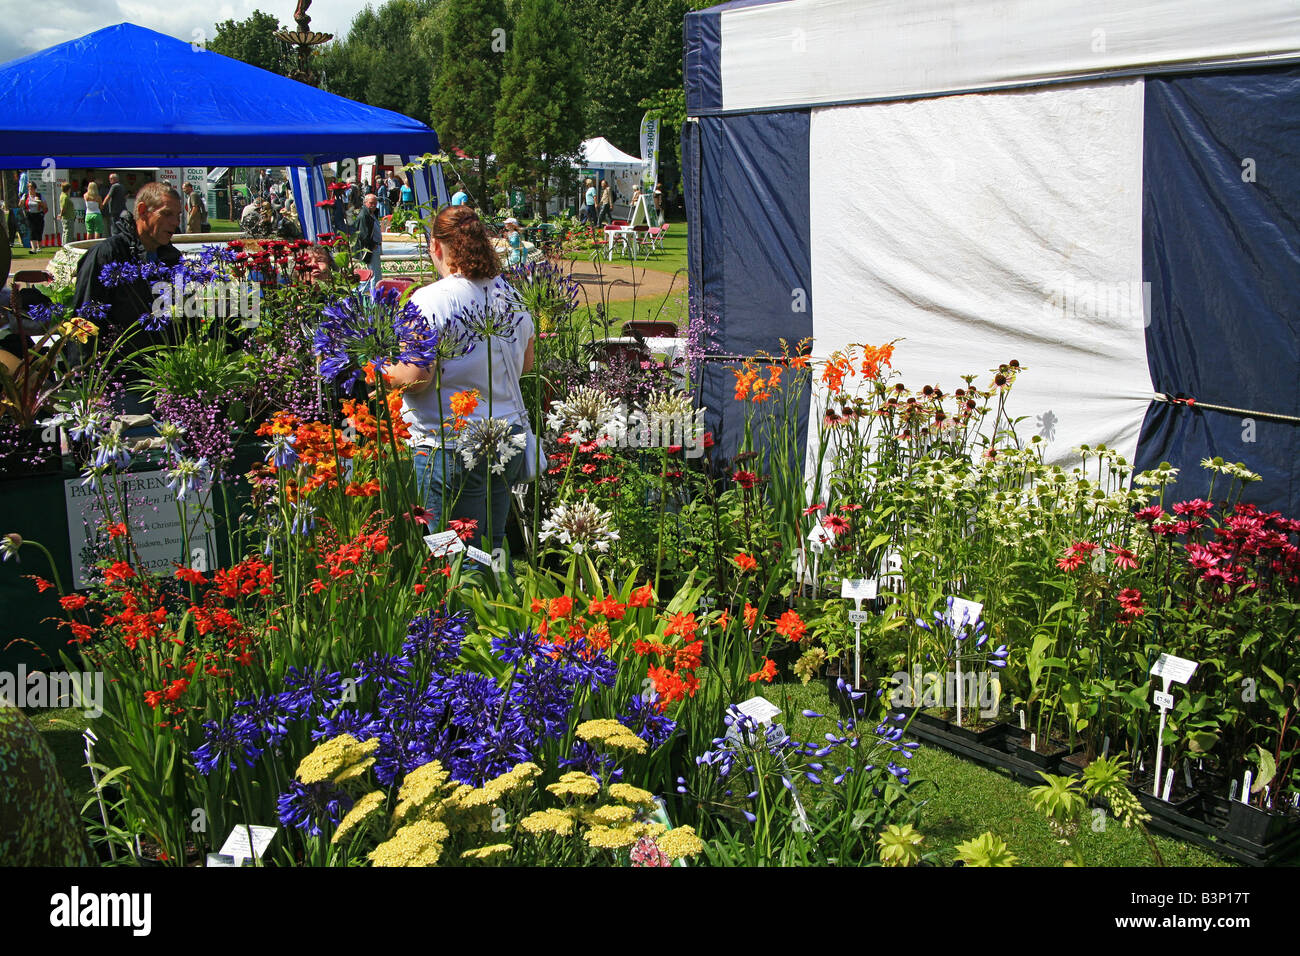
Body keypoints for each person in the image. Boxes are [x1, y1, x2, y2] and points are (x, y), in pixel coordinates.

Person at [387, 206, 536, 553]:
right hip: (506, 436)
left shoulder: (427, 300)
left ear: (437, 248)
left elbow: (416, 377)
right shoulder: (512, 297)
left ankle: (460, 607)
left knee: (451, 550)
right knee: (491, 543)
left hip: (451, 444)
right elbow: (525, 364)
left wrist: (379, 369)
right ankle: (500, 603)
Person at [72, 181, 183, 336]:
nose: (176, 223)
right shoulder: (107, 254)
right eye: (166, 214)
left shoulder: (173, 258)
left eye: (178, 216)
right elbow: (83, 321)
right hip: (119, 357)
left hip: (165, 358)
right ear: (143, 211)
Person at [354, 192, 383, 283]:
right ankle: (375, 295)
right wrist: (372, 245)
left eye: (375, 203)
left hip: (375, 246)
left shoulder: (371, 213)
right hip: (370, 248)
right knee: (374, 274)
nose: (373, 205)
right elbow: (363, 234)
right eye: (371, 203)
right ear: (365, 203)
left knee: (376, 273)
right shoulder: (364, 216)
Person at [20, 183, 46, 249]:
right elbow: (20, 205)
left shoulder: (39, 195)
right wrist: (21, 202)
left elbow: (45, 207)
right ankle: (33, 248)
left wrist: (39, 202)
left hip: (38, 215)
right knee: (32, 230)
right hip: (29, 215)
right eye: (29, 188)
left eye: (32, 188)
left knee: (39, 231)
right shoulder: (25, 196)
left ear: (35, 189)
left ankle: (39, 247)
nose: (30, 190)